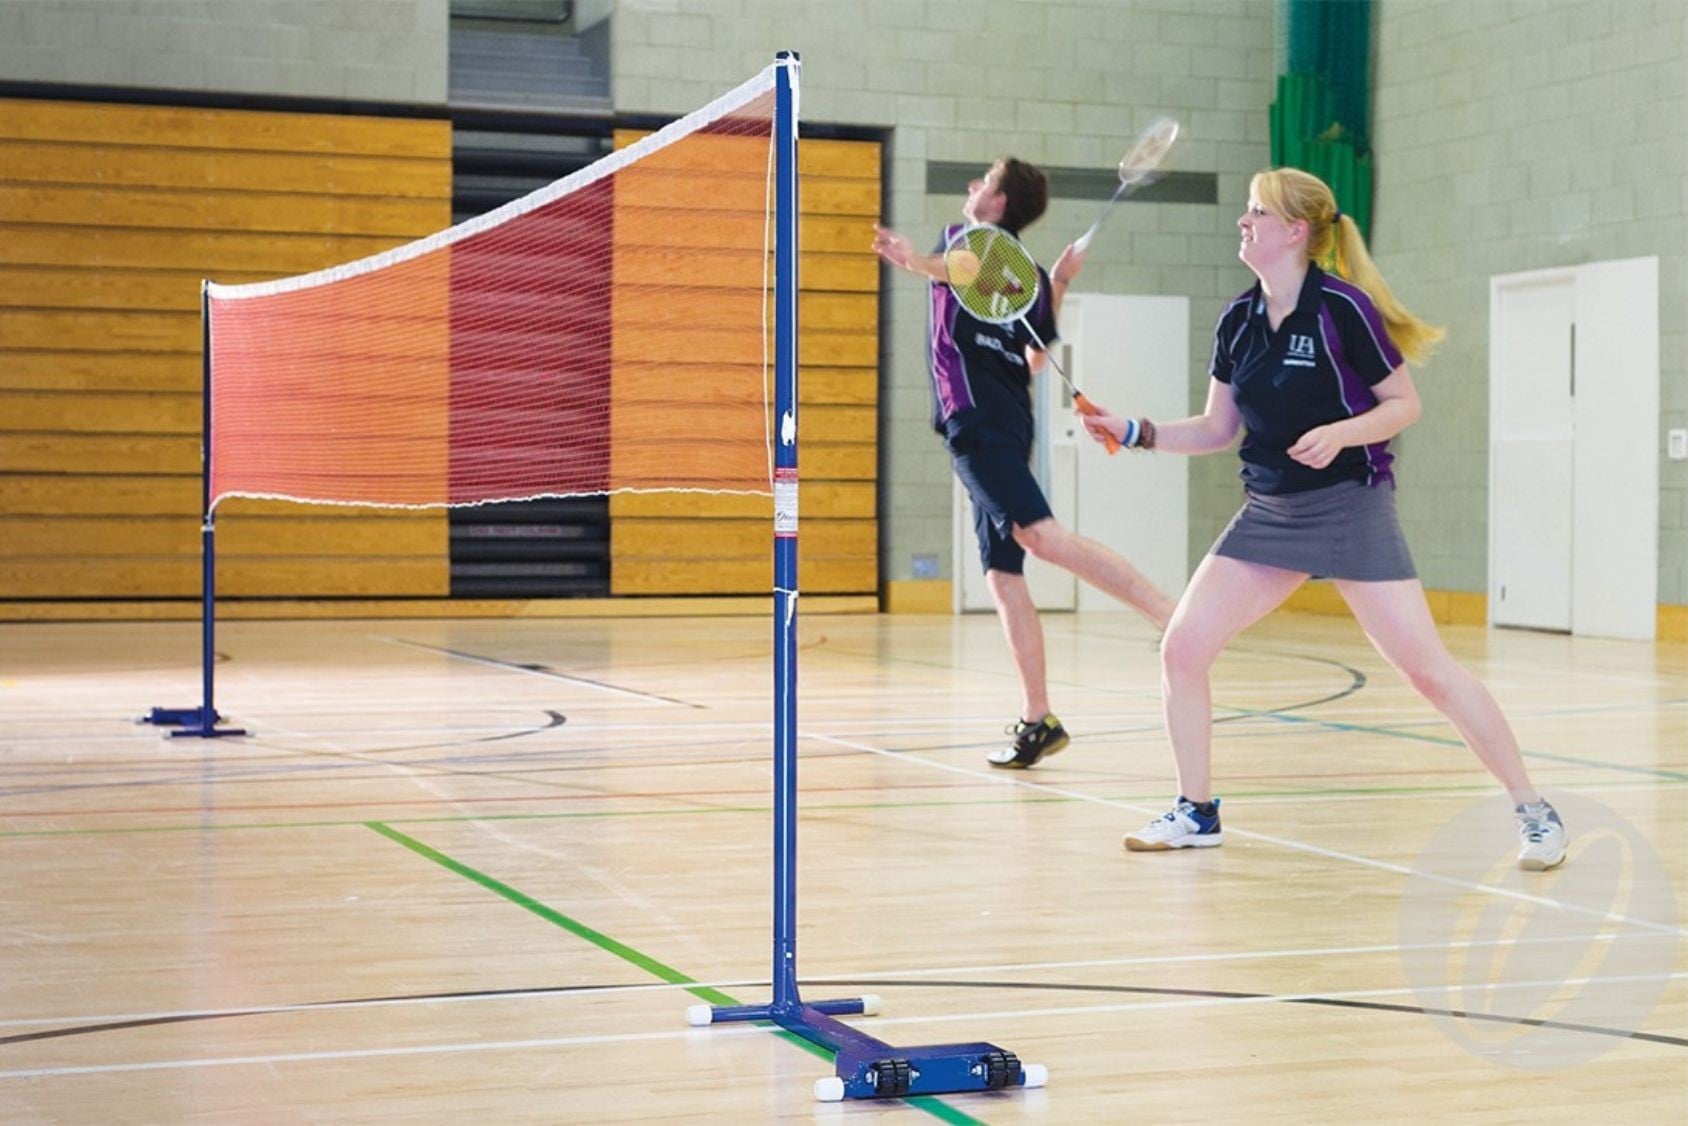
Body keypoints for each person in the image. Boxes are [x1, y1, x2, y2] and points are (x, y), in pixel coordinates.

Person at [1082, 167, 1567, 871]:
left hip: (1348, 506)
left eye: (1256, 213)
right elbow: (1219, 428)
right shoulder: (1238, 319)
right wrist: (1136, 431)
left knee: (1428, 672)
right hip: (1269, 512)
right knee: (1182, 649)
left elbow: (1404, 404)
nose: (1243, 222)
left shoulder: (1342, 309)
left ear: (1295, 230)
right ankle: (1197, 811)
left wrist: (1343, 434)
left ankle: (1534, 811)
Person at [874, 157, 1175, 769]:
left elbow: (951, 272)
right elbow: (1037, 360)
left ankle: (1172, 616)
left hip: (979, 417)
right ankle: (1038, 720)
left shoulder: (964, 242)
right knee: (1003, 576)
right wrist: (1060, 282)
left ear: (999, 203)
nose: (971, 188)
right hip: (1006, 417)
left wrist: (911, 260)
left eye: (982, 181)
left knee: (1040, 537)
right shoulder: (1031, 276)